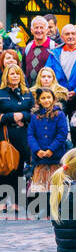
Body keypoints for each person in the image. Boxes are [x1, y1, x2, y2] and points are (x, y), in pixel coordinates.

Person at [0, 64, 32, 212]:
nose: (15, 76)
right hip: (6, 135)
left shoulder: (27, 93)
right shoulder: (1, 93)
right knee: (5, 167)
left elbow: (32, 113)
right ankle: (2, 200)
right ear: (6, 76)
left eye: (17, 74)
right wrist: (12, 116)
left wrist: (23, 115)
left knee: (19, 168)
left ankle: (17, 201)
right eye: (12, 74)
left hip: (23, 134)